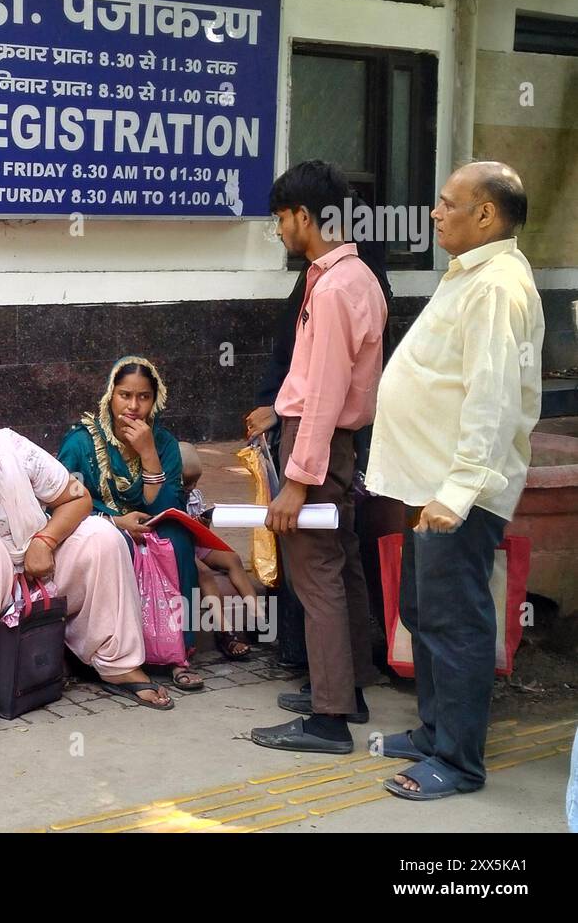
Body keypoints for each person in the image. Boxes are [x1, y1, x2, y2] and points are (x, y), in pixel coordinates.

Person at [368, 162, 543, 800]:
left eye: (447, 204)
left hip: (455, 493)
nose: (435, 213)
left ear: (486, 215)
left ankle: (460, 763)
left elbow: (491, 400)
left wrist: (457, 493)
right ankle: (436, 730)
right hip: (430, 486)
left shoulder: (496, 286)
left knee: (456, 622)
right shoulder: (473, 273)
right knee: (422, 611)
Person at [0, 416, 173, 722]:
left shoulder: (12, 448)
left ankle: (119, 665)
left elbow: (77, 497)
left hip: (38, 571)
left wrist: (45, 540)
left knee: (102, 536)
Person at [250, 160, 387, 755]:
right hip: (336, 445)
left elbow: (325, 394)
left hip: (318, 442)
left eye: (281, 218)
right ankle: (349, 688)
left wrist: (297, 482)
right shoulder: (354, 277)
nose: (280, 230)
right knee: (344, 564)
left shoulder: (332, 287)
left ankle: (329, 718)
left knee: (319, 575)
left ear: (305, 216)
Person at [57, 356, 204, 690]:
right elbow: (60, 500)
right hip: (98, 525)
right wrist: (115, 520)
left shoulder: (163, 442)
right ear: (111, 395)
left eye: (144, 397)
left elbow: (169, 505)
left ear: (156, 399)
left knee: (177, 538)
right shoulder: (82, 441)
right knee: (115, 543)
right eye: (125, 395)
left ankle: (178, 653)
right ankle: (120, 654)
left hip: (150, 525)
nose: (134, 406)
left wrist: (149, 453)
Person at [179, 442, 263, 660]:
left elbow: (203, 533)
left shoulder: (195, 496)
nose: (190, 487)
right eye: (185, 482)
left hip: (196, 544)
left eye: (195, 481)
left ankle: (257, 616)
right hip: (178, 548)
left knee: (233, 559)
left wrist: (202, 523)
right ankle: (224, 632)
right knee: (205, 574)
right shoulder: (164, 494)